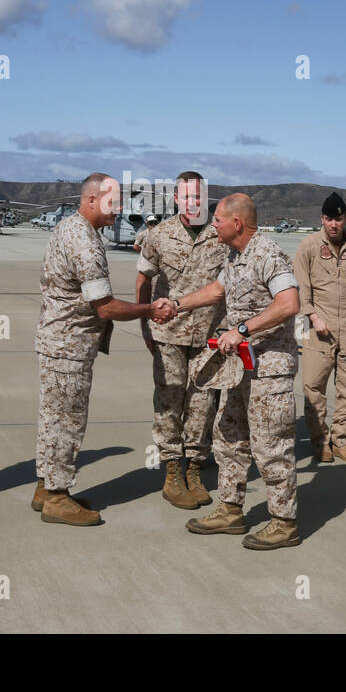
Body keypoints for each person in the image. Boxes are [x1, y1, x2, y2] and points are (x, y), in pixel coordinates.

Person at [162, 193, 302, 550]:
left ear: (236, 223)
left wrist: (242, 330)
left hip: (269, 370)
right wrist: (178, 305)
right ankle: (230, 508)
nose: (214, 225)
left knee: (271, 445)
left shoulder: (268, 254)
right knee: (228, 437)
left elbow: (289, 304)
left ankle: (284, 522)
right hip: (241, 369)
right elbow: (216, 291)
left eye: (218, 220)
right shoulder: (236, 255)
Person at [33, 173, 172, 526]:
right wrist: (149, 310)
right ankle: (57, 497)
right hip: (70, 346)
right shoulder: (84, 241)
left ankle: (45, 486)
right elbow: (106, 307)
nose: (120, 208)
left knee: (52, 419)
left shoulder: (69, 227)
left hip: (57, 341)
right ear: (92, 200)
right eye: (113, 202)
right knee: (67, 422)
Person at [135, 171, 226, 508]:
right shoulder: (158, 235)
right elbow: (144, 278)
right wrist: (146, 321)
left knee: (203, 404)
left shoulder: (221, 234)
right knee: (170, 399)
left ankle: (195, 467)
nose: (192, 203)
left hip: (208, 335)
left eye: (198, 197)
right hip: (168, 333)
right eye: (186, 197)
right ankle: (173, 469)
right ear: (176, 199)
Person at [294, 192, 346, 463]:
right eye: (329, 219)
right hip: (320, 324)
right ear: (322, 218)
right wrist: (312, 316)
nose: (333, 224)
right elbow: (300, 286)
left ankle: (341, 439)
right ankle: (320, 440)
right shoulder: (308, 245)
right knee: (313, 385)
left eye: (338, 219)